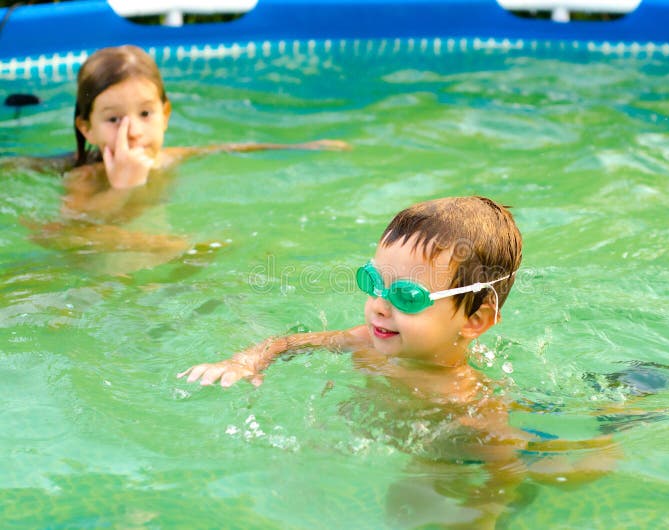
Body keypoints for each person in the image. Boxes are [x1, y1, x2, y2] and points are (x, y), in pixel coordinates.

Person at [178, 196, 620, 529]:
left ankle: (617, 412)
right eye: (374, 282)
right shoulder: (365, 340)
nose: (379, 306)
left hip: (459, 453)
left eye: (407, 295)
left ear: (475, 320)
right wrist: (245, 362)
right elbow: (288, 342)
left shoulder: (466, 406)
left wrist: (487, 509)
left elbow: (503, 464)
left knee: (572, 469)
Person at [25, 44, 349, 270]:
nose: (133, 131)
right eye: (113, 120)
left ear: (166, 114)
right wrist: (122, 188)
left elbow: (223, 148)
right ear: (86, 129)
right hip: (104, 265)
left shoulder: (167, 158)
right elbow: (70, 230)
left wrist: (300, 147)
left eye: (145, 113)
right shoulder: (86, 177)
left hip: (152, 256)